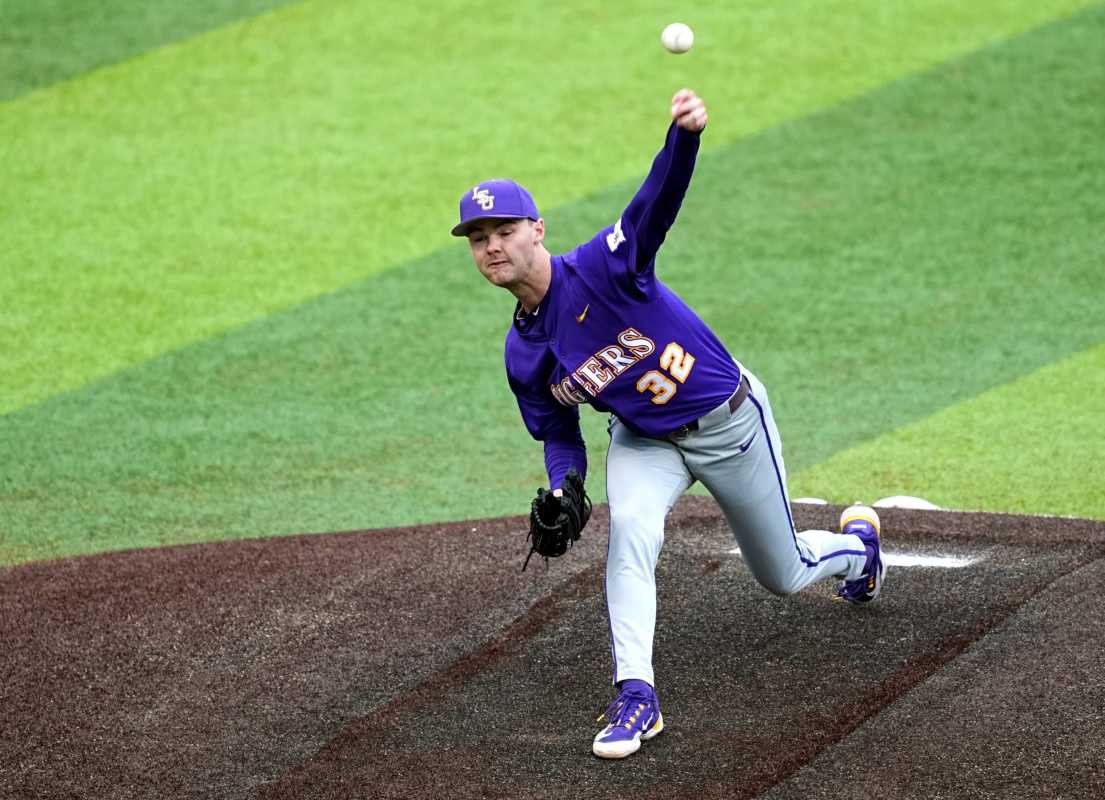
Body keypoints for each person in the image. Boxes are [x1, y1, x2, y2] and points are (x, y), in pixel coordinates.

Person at [451, 89, 885, 760]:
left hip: (729, 425)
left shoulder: (603, 267)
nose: (492, 247)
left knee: (784, 572)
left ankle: (859, 550)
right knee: (630, 532)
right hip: (644, 442)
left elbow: (655, 203)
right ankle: (636, 695)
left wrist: (683, 136)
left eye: (504, 231)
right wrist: (566, 486)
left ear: (537, 229)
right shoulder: (521, 353)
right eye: (479, 239)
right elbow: (559, 433)